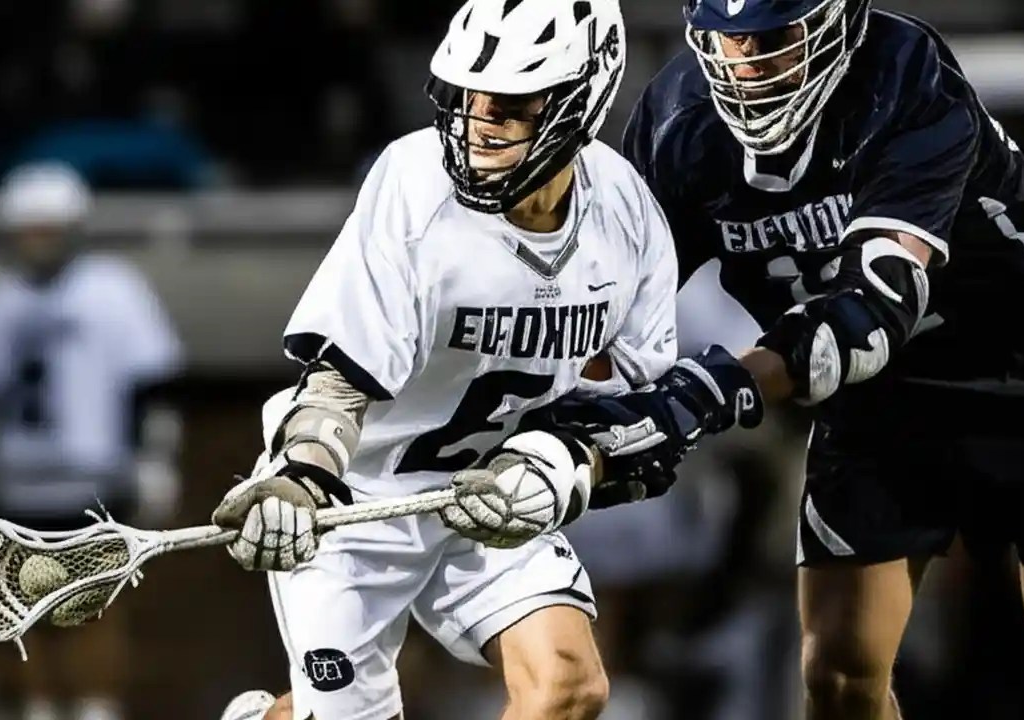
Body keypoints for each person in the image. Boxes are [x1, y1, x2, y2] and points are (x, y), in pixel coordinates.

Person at [552, 0, 1024, 718]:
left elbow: (870, 318)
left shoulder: (905, 76)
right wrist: (537, 420)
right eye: (729, 39)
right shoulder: (680, 119)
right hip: (883, 396)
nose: (746, 63)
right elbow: (606, 310)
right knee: (837, 676)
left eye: (772, 37)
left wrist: (707, 393)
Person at [211, 1, 682, 718]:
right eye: (469, 97)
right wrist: (304, 475)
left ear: (583, 98)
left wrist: (570, 463)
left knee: (569, 687)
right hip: (358, 495)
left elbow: (638, 411)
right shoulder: (414, 182)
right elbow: (340, 378)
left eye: (512, 104)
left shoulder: (626, 212)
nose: (480, 123)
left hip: (491, 495)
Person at [0, 162, 183, 720]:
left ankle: (95, 705)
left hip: (91, 478)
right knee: (18, 603)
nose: (37, 242)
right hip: (15, 479)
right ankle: (37, 705)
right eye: (28, 231)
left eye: (48, 230)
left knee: (92, 602)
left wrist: (154, 457)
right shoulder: (1, 297)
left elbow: (152, 382)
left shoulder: (112, 289)